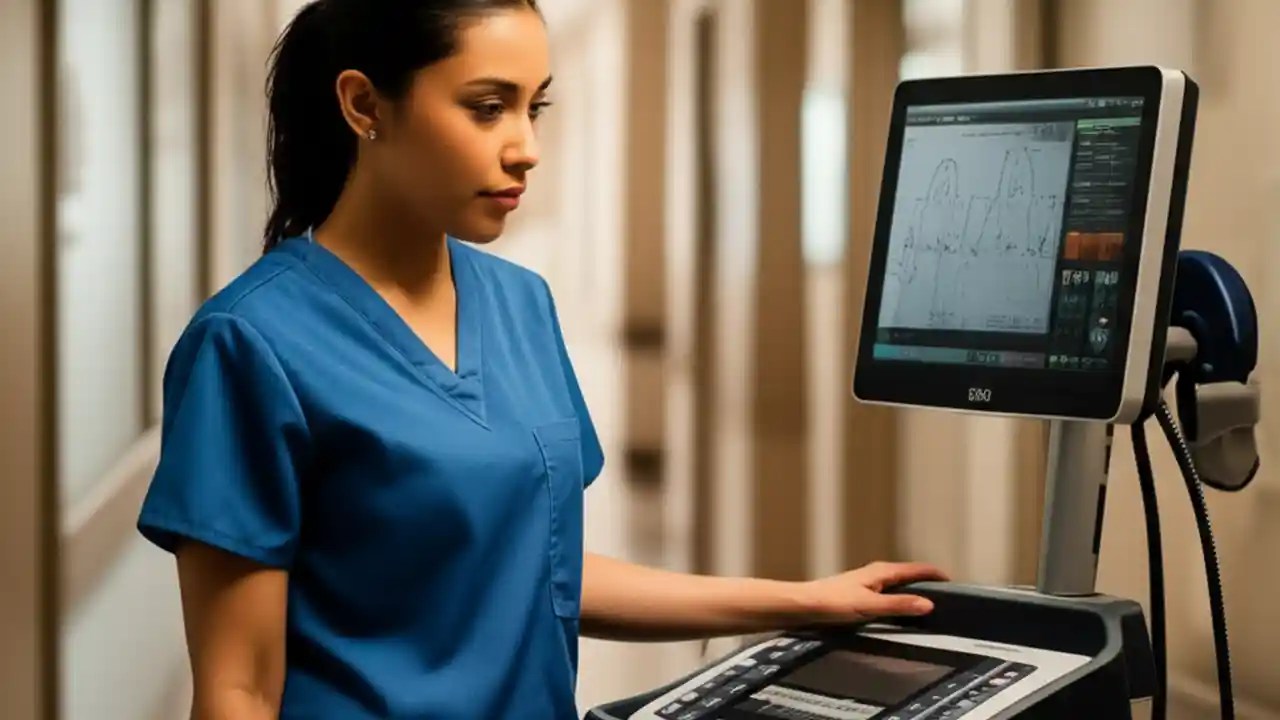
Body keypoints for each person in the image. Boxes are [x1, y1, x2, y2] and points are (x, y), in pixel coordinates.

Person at [135, 1, 947, 718]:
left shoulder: (519, 303)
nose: (526, 148)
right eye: (488, 108)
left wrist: (804, 600)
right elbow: (237, 689)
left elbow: (537, 568)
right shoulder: (250, 343)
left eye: (535, 108)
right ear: (363, 104)